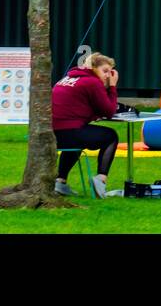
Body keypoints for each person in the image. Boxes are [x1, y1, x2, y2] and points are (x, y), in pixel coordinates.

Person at [52, 52, 123, 197]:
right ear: (93, 68)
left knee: (78, 141)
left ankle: (60, 182)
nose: (108, 76)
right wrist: (113, 87)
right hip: (68, 132)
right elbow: (109, 111)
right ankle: (100, 180)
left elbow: (75, 106)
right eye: (105, 71)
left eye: (110, 72)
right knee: (111, 136)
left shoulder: (67, 78)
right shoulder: (92, 82)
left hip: (53, 134)